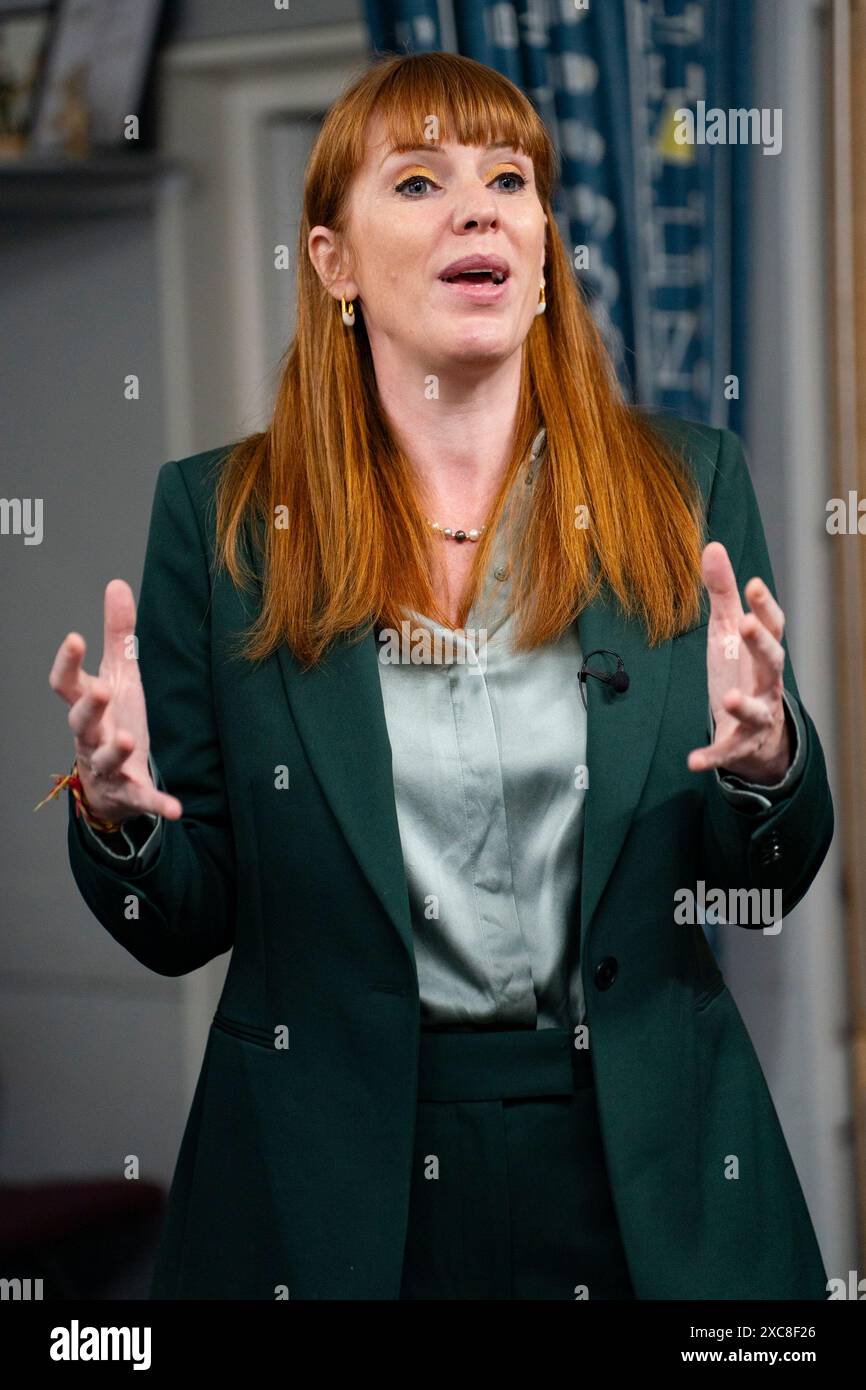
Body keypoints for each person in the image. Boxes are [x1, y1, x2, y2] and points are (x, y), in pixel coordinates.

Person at [42, 52, 833, 1300]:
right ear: (333, 264)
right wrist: (121, 816)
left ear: (538, 246)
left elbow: (765, 882)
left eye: (507, 179)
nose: (478, 209)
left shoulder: (686, 485)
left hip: (645, 1166)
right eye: (418, 181)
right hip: (329, 1174)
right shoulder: (223, 521)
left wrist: (766, 766)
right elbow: (181, 923)